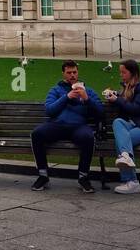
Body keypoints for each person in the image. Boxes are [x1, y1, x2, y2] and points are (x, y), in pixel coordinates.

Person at [31, 59, 104, 193]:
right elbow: (50, 110)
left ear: (78, 72)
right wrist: (67, 97)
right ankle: (43, 175)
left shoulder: (88, 91)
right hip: (57, 126)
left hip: (78, 127)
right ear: (63, 74)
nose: (72, 75)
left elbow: (100, 112)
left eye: (74, 72)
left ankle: (83, 177)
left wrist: (87, 99)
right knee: (37, 134)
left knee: (88, 137)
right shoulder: (56, 90)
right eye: (69, 72)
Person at [103, 58, 140, 195]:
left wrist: (117, 99)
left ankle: (131, 181)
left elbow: (136, 109)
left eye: (123, 72)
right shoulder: (128, 88)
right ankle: (126, 159)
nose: (121, 75)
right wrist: (114, 97)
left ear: (132, 73)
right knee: (118, 122)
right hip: (135, 125)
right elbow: (126, 106)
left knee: (124, 139)